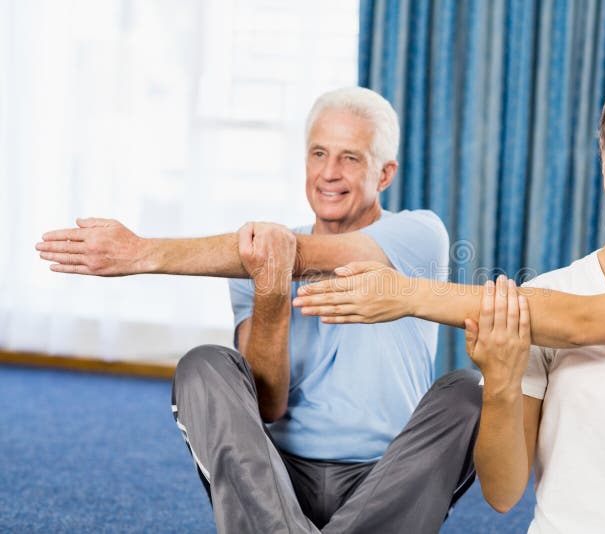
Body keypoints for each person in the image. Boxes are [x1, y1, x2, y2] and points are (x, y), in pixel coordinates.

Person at [292, 71, 605, 533]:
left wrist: (407, 293)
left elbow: (582, 321)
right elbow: (503, 493)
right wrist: (499, 380)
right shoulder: (548, 292)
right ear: (603, 154)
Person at [35, 87, 482, 533]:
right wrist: (271, 294)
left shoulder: (419, 235)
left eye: (350, 158)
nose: (329, 172)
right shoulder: (251, 260)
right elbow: (268, 405)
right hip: (276, 485)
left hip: (388, 484)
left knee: (469, 392)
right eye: (318, 153)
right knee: (204, 365)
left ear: (384, 175)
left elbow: (306, 253)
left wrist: (141, 253)